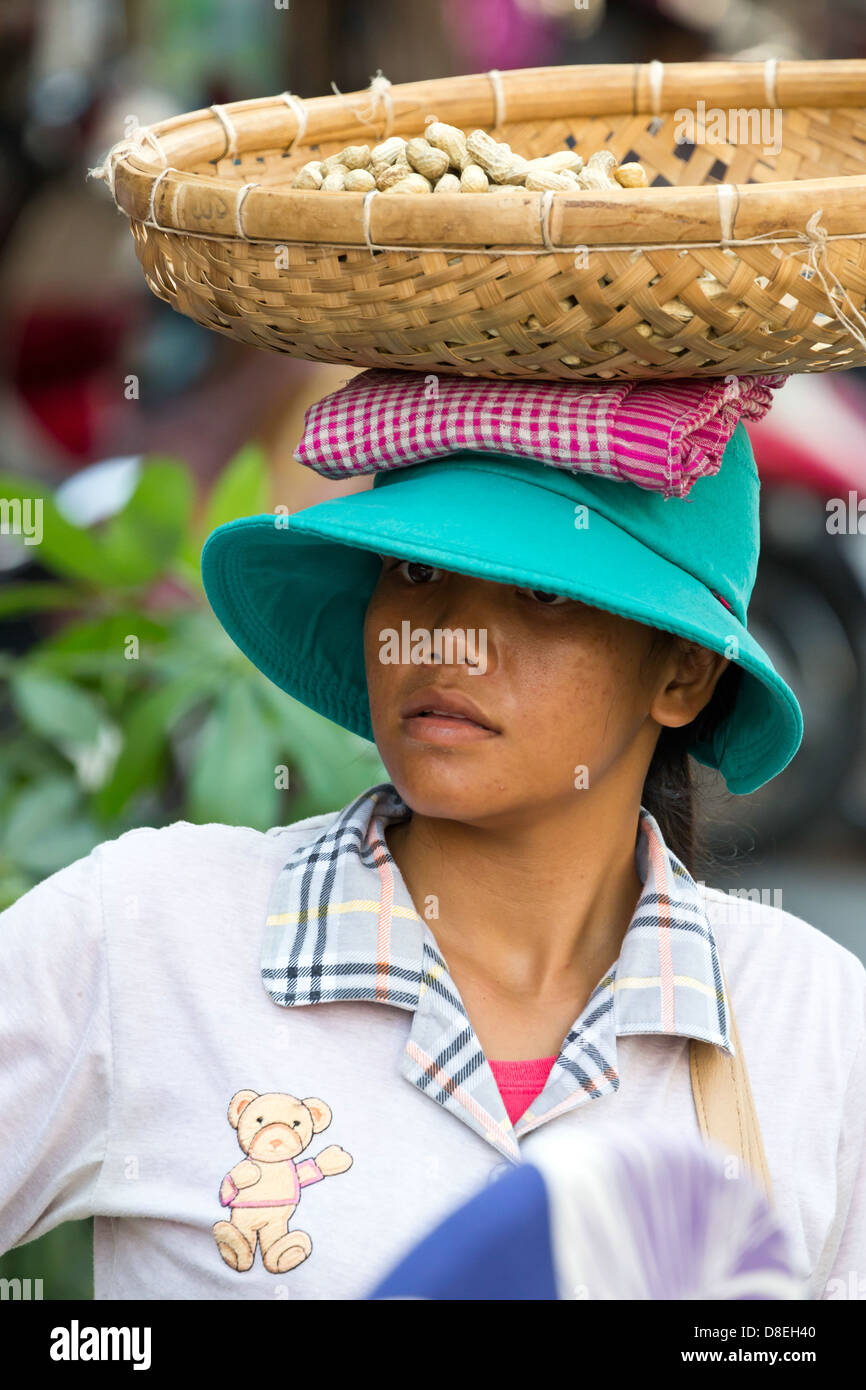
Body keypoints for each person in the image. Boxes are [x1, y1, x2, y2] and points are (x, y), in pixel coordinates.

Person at [0, 422, 863, 1301]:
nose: (444, 640)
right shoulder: (147, 935)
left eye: (542, 594)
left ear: (681, 674)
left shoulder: (812, 1025)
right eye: (414, 572)